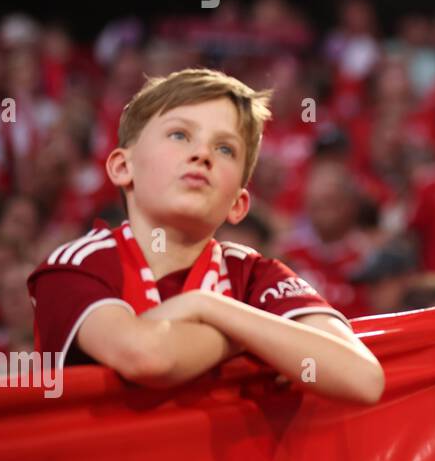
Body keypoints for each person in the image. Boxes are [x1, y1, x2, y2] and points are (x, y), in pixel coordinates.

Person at [27, 68, 384, 403]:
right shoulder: (75, 266)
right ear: (123, 167)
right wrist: (256, 337)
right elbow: (148, 357)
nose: (201, 154)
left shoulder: (253, 274)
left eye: (225, 148)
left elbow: (363, 377)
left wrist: (205, 306)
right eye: (179, 135)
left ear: (239, 204)